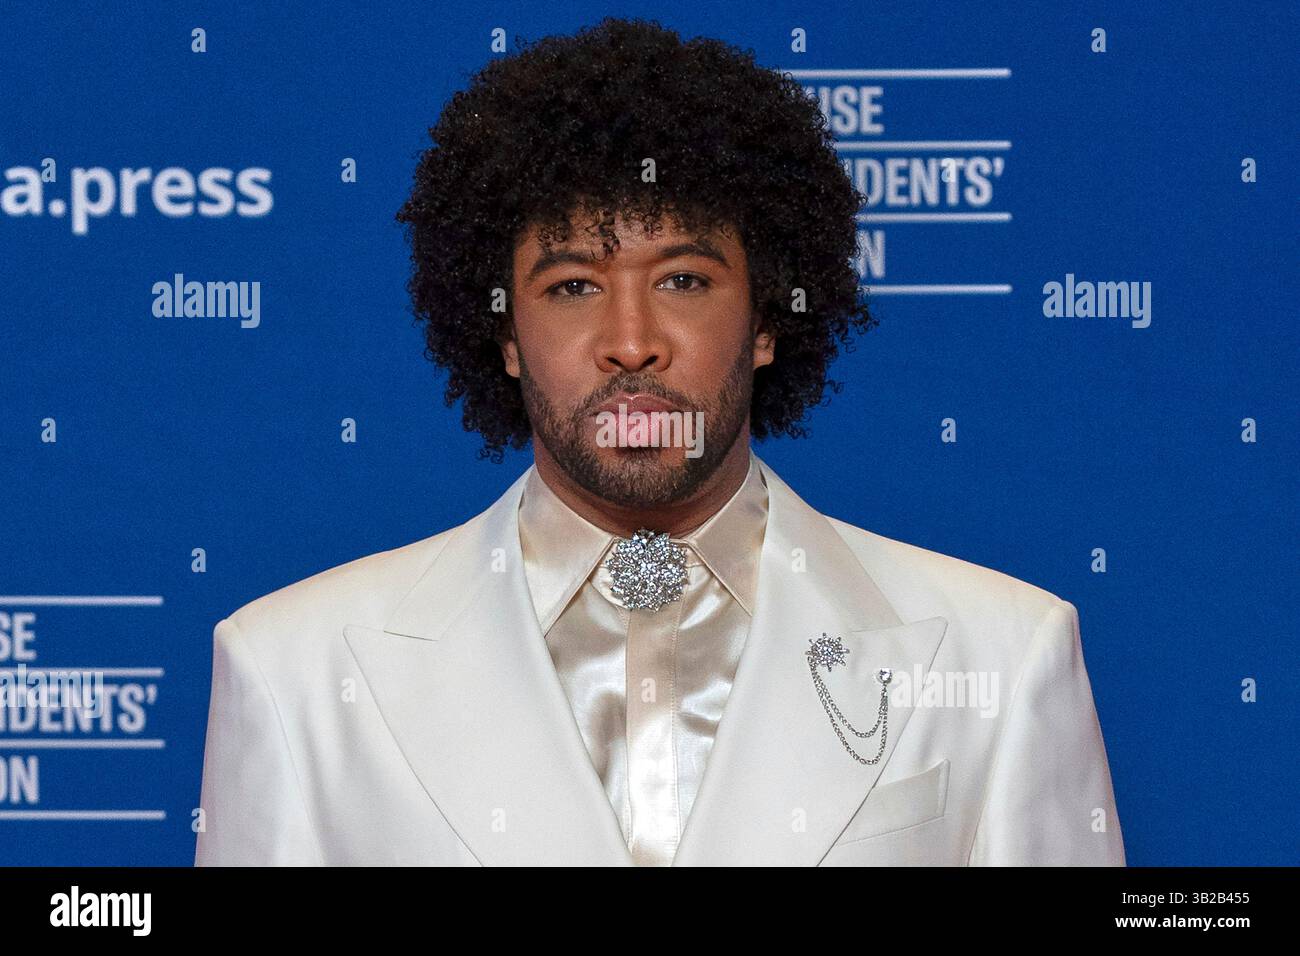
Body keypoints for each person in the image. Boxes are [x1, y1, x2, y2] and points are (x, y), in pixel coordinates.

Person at [194, 17, 1124, 866]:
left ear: (765, 319)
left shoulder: (1000, 655)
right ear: (505, 337)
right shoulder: (295, 674)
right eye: (571, 286)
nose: (631, 339)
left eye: (682, 279)